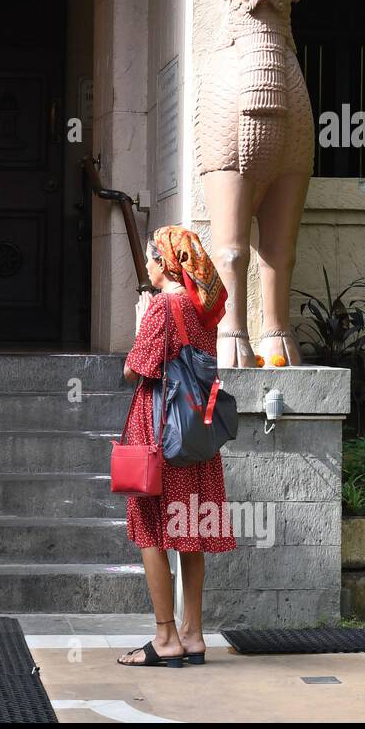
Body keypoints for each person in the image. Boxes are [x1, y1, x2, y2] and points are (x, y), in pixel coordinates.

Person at [117, 226, 236, 668]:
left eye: (151, 259)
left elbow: (136, 370)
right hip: (195, 434)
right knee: (191, 530)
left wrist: (140, 320)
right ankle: (194, 634)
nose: (147, 267)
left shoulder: (163, 306)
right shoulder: (202, 309)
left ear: (164, 262)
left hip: (159, 431)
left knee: (151, 529)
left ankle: (164, 637)